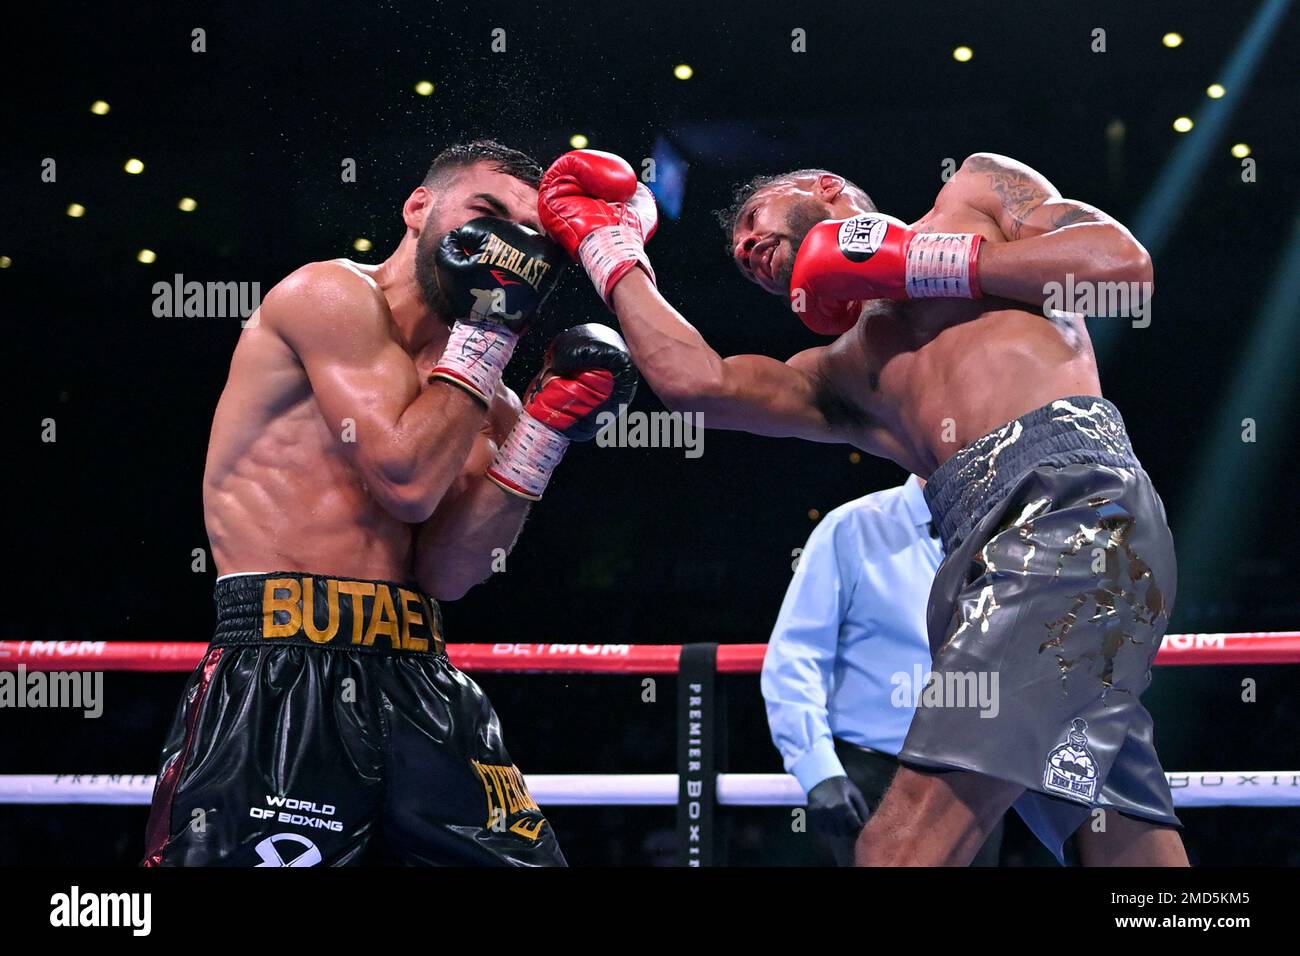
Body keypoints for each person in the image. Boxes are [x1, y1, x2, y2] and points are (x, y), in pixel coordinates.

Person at [537, 148, 1185, 866]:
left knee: (897, 848)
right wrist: (612, 249)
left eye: (755, 221)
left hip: (1067, 508)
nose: (747, 248)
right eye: (740, 256)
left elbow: (1125, 270)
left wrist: (922, 260)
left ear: (824, 187)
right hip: (982, 560)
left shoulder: (973, 190)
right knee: (1121, 844)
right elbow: (698, 384)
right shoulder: (845, 373)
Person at [142, 140, 637, 866]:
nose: (509, 243)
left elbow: (448, 573)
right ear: (418, 207)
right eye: (487, 213)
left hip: (420, 675)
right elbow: (404, 479)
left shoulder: (485, 394)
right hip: (283, 670)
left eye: (531, 236)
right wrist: (494, 324)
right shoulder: (329, 294)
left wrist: (539, 438)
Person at [762, 476, 1002, 866]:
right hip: (870, 774)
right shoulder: (853, 527)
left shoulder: (1009, 530)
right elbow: (797, 653)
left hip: (975, 776)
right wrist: (817, 766)